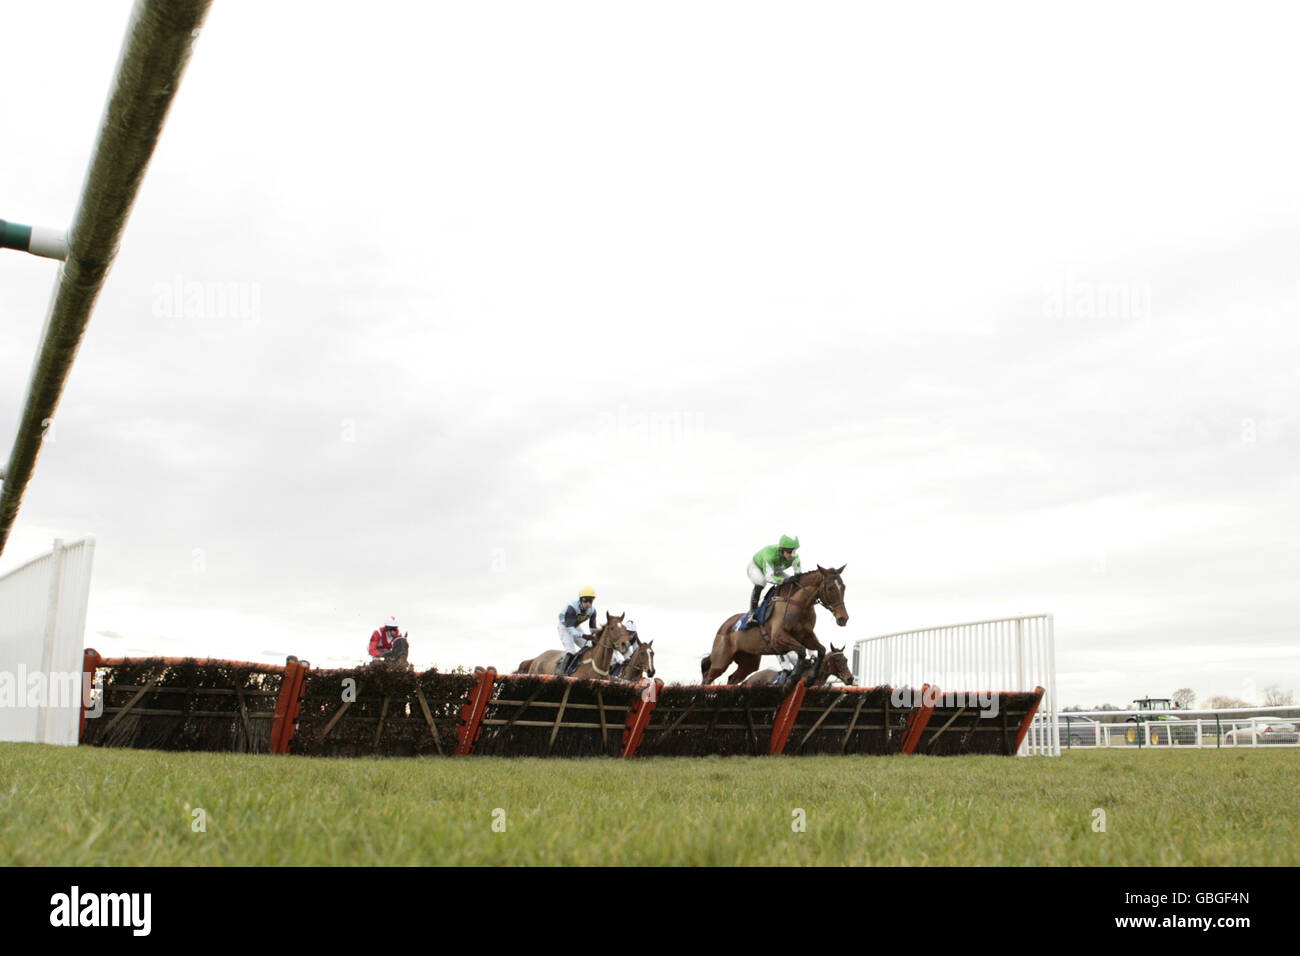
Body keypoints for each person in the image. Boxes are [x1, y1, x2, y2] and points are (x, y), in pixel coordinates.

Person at [746, 535, 802, 626]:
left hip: (775, 570)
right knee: (761, 582)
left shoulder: (795, 558)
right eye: (789, 552)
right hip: (757, 567)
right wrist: (785, 580)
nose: (792, 555)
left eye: (794, 551)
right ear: (782, 549)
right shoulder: (770, 554)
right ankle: (752, 614)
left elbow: (799, 575)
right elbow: (769, 577)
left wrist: (793, 579)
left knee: (793, 583)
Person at [557, 587, 598, 676]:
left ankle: (578, 665)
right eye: (585, 600)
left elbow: (593, 628)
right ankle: (561, 674)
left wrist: (596, 635)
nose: (588, 604)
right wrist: (584, 636)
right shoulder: (572, 607)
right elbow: (570, 629)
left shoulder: (592, 611)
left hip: (575, 626)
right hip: (565, 627)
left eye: (590, 601)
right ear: (580, 600)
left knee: (589, 646)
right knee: (571, 651)